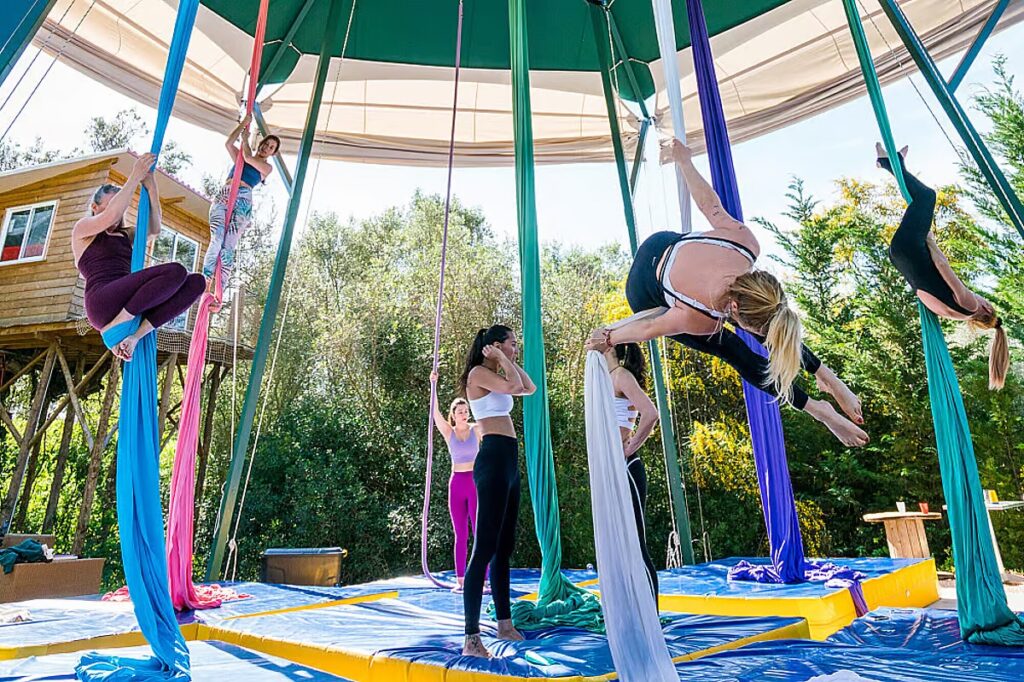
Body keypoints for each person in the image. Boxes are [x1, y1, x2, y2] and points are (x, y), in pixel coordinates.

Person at [587, 139, 868, 448]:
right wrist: (612, 338)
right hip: (646, 292)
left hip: (663, 243)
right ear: (733, 308)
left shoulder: (745, 243)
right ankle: (818, 409)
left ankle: (827, 376)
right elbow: (650, 326)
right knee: (733, 349)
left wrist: (685, 161)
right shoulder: (699, 316)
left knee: (771, 326)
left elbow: (711, 205)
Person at [876, 143, 1009, 389]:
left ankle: (889, 163)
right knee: (920, 200)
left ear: (987, 308)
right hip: (900, 256)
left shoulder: (969, 304)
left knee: (927, 196)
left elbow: (942, 265)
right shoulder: (955, 314)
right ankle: (896, 164)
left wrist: (931, 240)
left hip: (911, 248)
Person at [73, 152, 205, 362]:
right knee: (176, 271)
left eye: (119, 206)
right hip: (102, 302)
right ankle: (119, 323)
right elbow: (111, 216)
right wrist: (134, 177)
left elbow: (154, 228)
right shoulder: (83, 230)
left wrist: (151, 187)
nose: (115, 214)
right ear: (94, 208)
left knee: (197, 282)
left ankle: (134, 337)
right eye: (108, 206)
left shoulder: (126, 235)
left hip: (129, 299)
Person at [458, 325, 536, 658]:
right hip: (491, 460)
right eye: (512, 343)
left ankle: (505, 622)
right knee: (485, 547)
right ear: (494, 346)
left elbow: (528, 387)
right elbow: (515, 386)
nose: (516, 348)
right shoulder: (478, 373)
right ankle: (472, 636)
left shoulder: (498, 369)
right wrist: (503, 358)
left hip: (509, 462)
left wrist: (506, 358)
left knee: (504, 547)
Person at [603, 342, 660, 600]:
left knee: (635, 545)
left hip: (628, 467)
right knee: (617, 546)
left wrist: (630, 447)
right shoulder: (606, 379)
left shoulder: (621, 376)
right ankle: (629, 608)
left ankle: (651, 613)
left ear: (611, 350)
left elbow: (650, 413)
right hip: (612, 469)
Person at [202, 112, 280, 288]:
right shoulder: (242, 155)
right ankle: (206, 278)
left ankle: (220, 286)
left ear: (273, 153)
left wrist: (245, 139)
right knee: (217, 237)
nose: (266, 147)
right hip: (226, 192)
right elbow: (229, 143)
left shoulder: (266, 168)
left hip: (243, 198)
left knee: (228, 245)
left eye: (271, 147)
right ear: (260, 143)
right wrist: (243, 124)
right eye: (265, 144)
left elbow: (248, 158)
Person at [429, 379, 484, 592]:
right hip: (457, 484)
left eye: (466, 410)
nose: (464, 414)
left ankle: (483, 579)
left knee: (480, 532)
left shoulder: (476, 429)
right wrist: (433, 385)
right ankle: (460, 580)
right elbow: (435, 414)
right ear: (454, 414)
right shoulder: (449, 432)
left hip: (474, 482)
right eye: (460, 411)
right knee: (461, 534)